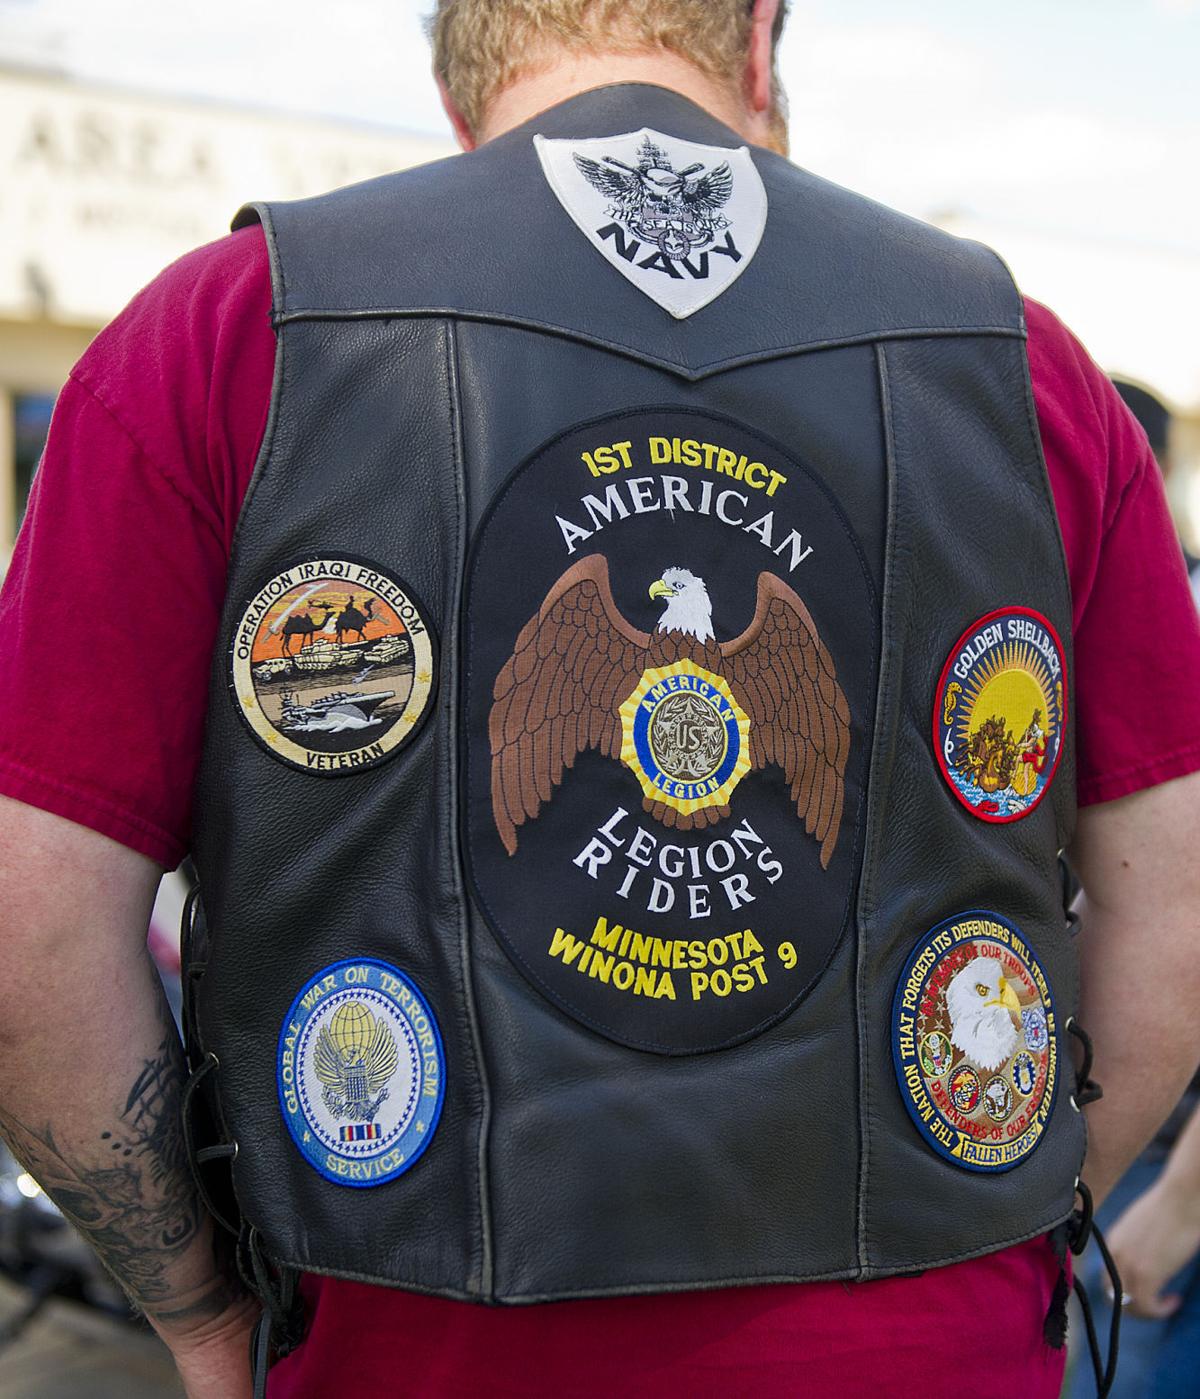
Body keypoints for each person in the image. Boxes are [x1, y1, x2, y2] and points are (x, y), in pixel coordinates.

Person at [2, 5, 1200, 1397]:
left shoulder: (227, 333)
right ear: (760, 41)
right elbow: (1177, 914)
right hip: (937, 1351)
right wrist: (1011, 1205)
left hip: (405, 1358)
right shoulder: (1026, 370)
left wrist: (209, 1325)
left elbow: (31, 933)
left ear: (457, 84)